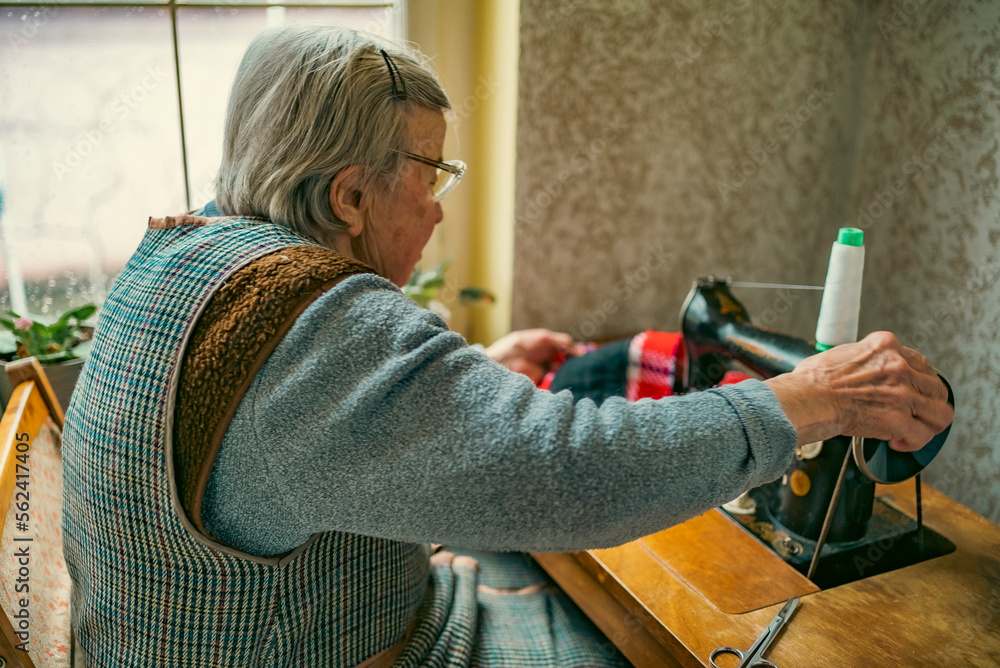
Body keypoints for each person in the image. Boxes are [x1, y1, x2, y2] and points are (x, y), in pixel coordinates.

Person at [61, 23, 953, 667]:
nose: (441, 206)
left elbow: (278, 440)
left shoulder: (188, 252)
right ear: (347, 199)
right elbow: (569, 472)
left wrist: (463, 386)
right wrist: (811, 398)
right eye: (431, 172)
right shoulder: (316, 329)